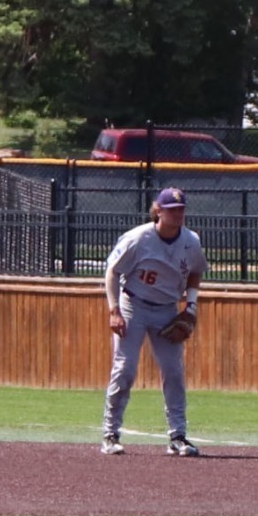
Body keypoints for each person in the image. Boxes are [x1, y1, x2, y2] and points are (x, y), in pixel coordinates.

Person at [101, 187, 206, 457]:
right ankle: (110, 433)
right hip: (133, 305)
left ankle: (178, 436)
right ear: (158, 211)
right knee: (125, 369)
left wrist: (191, 308)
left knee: (173, 372)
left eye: (181, 209)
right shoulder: (139, 238)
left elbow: (195, 272)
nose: (178, 213)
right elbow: (112, 272)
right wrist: (114, 310)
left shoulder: (191, 241)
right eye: (172, 209)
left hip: (167, 310)